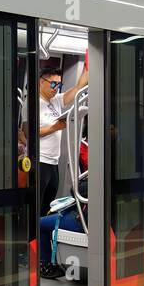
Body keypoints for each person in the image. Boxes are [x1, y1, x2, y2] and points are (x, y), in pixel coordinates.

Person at [38, 62, 87, 214]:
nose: (56, 88)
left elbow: (78, 87)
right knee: (37, 205)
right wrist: (56, 127)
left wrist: (88, 65)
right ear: (41, 82)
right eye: (53, 83)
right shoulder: (33, 103)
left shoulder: (56, 101)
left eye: (59, 84)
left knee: (48, 204)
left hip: (53, 162)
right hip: (39, 161)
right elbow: (31, 132)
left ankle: (43, 234)